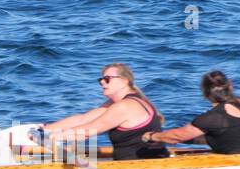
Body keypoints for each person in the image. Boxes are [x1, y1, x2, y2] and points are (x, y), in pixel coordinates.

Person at [40, 62, 169, 160]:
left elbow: (88, 131)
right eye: (100, 79)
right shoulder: (116, 103)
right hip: (126, 164)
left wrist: (50, 137)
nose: (102, 82)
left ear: (124, 81)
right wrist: (45, 129)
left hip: (142, 166)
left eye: (107, 79)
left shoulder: (126, 106)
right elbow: (82, 119)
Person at [143, 70, 240, 154]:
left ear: (205, 93)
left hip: (238, 162)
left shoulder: (212, 118)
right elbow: (227, 133)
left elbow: (176, 136)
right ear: (230, 86)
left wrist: (152, 136)